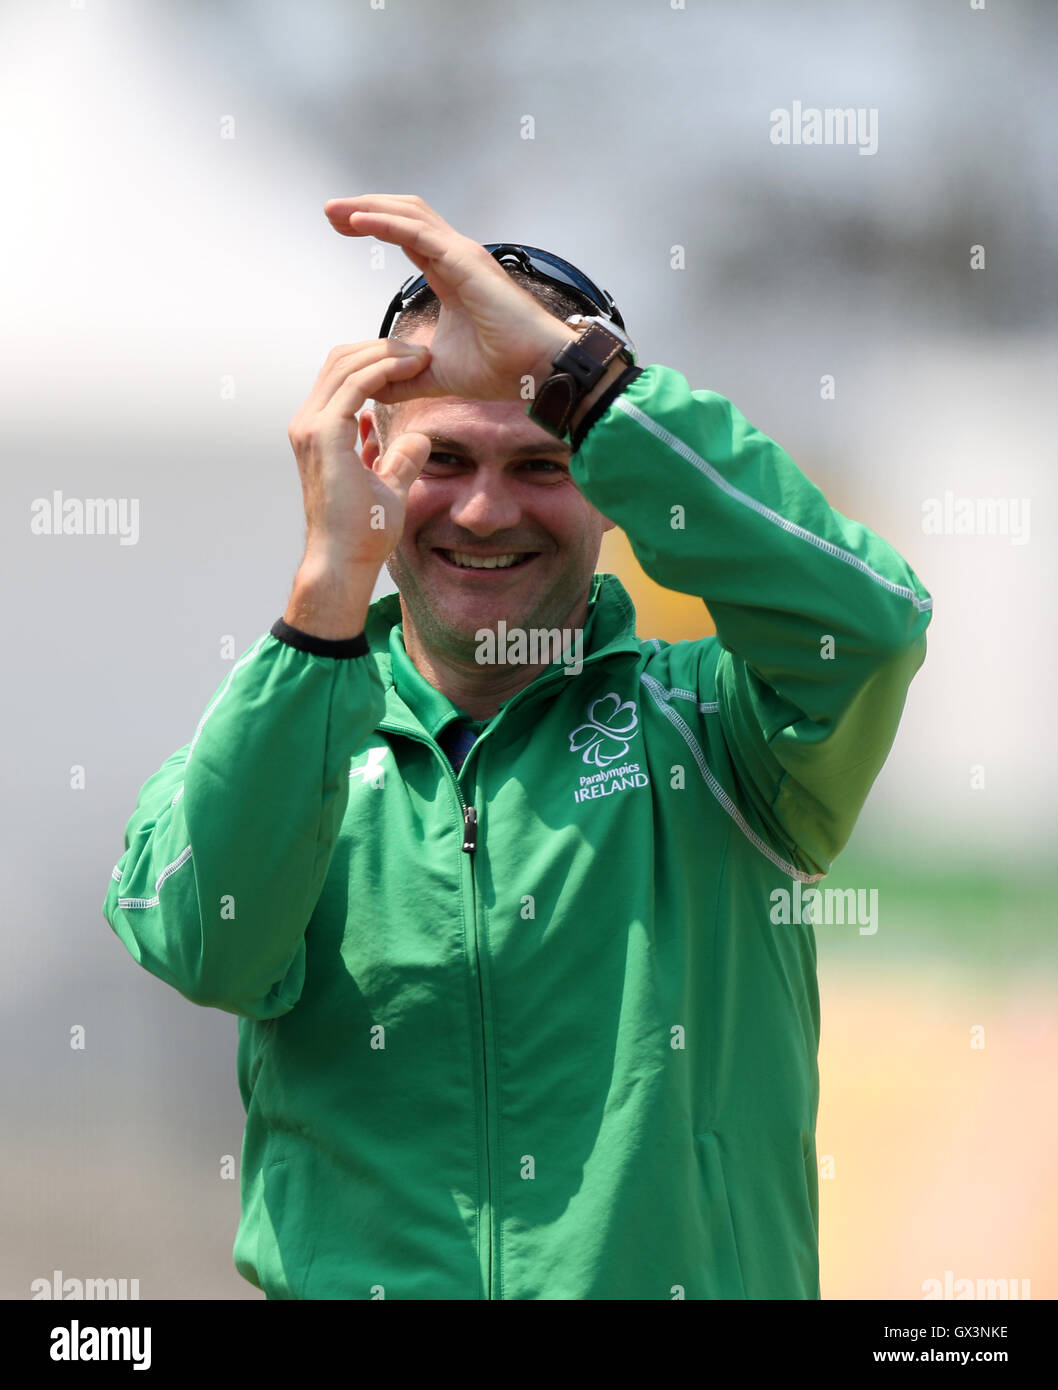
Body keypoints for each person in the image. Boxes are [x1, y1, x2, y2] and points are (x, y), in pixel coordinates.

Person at [103, 194, 932, 1300]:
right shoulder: (283, 728)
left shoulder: (722, 731)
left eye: (543, 464)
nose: (485, 511)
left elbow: (870, 627)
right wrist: (325, 590)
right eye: (441, 459)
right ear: (365, 461)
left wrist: (581, 376)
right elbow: (209, 944)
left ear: (609, 483)